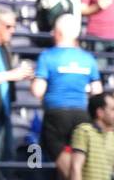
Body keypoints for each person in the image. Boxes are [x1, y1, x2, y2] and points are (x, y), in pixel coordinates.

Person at [30, 13, 102, 168]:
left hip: (56, 113)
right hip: (82, 113)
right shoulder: (88, 59)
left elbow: (37, 90)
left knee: (57, 151)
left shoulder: (47, 56)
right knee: (79, 154)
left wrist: (32, 80)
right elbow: (97, 91)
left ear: (59, 33)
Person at [0, 7, 32, 162]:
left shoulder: (4, 47)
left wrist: (21, 74)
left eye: (14, 26)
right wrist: (12, 75)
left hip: (3, 105)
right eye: (8, 26)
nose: (12, 30)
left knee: (7, 153)